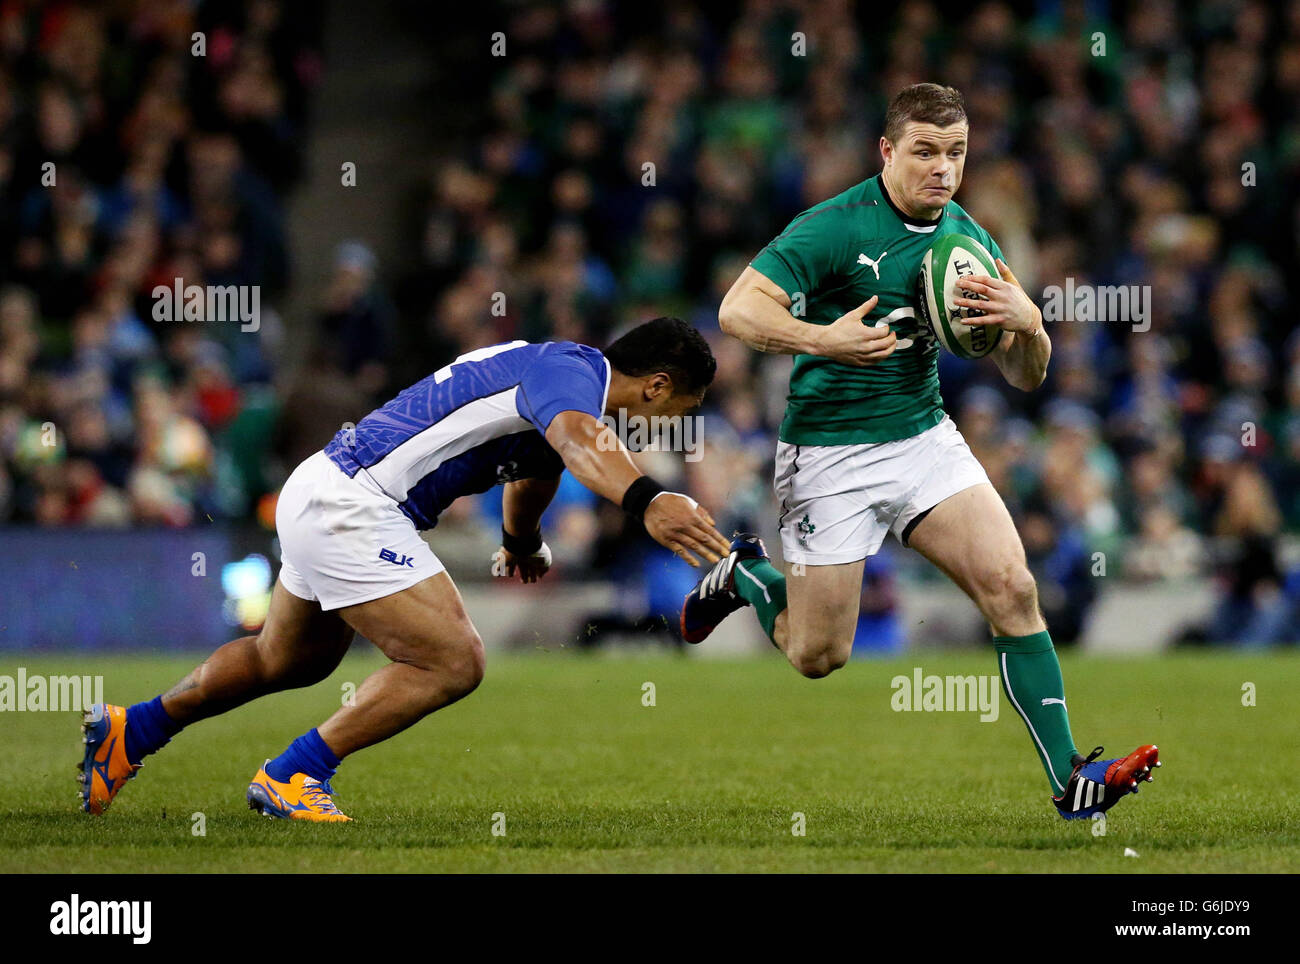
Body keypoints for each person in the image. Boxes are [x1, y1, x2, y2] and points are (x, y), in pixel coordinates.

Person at [681, 85, 1159, 820]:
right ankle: (747, 574)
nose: (943, 169)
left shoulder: (967, 239)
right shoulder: (835, 226)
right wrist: (823, 337)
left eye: (957, 153)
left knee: (1013, 588)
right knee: (817, 656)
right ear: (887, 152)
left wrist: (1029, 325)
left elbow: (1026, 377)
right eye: (926, 152)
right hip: (828, 452)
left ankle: (1072, 781)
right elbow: (736, 309)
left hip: (923, 439)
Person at [80, 317, 730, 821]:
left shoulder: (555, 372)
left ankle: (133, 729)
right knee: (454, 660)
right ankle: (295, 775)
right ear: (658, 386)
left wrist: (521, 540)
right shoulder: (570, 375)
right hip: (355, 505)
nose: (667, 426)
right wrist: (647, 499)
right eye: (679, 411)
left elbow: (536, 469)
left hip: (324, 487)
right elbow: (578, 442)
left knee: (288, 661)